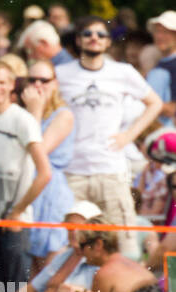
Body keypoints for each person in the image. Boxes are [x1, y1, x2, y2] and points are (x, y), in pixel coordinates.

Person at [57, 16, 163, 259]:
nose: (94, 38)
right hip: (73, 172)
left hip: (111, 170)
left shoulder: (122, 72)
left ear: (107, 43)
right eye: (88, 34)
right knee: (71, 247)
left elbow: (154, 103)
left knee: (123, 246)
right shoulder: (61, 74)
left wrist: (129, 135)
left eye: (101, 34)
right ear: (78, 40)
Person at [0, 58, 52, 292]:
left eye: (1, 82)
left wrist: (18, 211)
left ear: (10, 86)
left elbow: (44, 172)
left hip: (16, 222)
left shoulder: (22, 120)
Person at [21, 60, 78, 268]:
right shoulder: (24, 112)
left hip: (51, 191)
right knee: (31, 270)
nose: (37, 85)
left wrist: (35, 111)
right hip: (30, 190)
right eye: (32, 79)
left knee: (50, 266)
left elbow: (38, 151)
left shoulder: (63, 114)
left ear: (55, 83)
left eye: (44, 80)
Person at [146, 11, 176, 126]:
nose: (159, 36)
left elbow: (172, 109)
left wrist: (143, 103)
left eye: (165, 32)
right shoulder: (160, 64)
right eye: (157, 31)